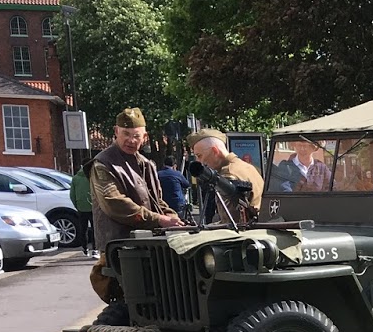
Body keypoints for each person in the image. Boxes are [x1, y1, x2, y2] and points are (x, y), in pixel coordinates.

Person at [88, 108, 180, 301]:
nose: (131, 140)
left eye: (136, 136)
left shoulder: (145, 163)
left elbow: (157, 201)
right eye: (126, 134)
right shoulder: (103, 164)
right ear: (116, 132)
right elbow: (114, 204)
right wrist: (159, 220)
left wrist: (174, 219)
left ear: (144, 137)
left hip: (148, 245)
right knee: (129, 304)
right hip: (120, 248)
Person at [187, 128, 264, 225]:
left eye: (199, 155)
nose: (200, 162)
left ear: (215, 151)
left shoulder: (227, 175)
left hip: (244, 236)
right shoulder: (248, 167)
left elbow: (231, 222)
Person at [68, 160, 94, 255]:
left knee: (83, 229)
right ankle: (95, 250)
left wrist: (77, 205)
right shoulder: (93, 177)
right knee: (95, 229)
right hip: (93, 207)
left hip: (81, 208)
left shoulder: (75, 178)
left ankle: (85, 249)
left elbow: (72, 195)